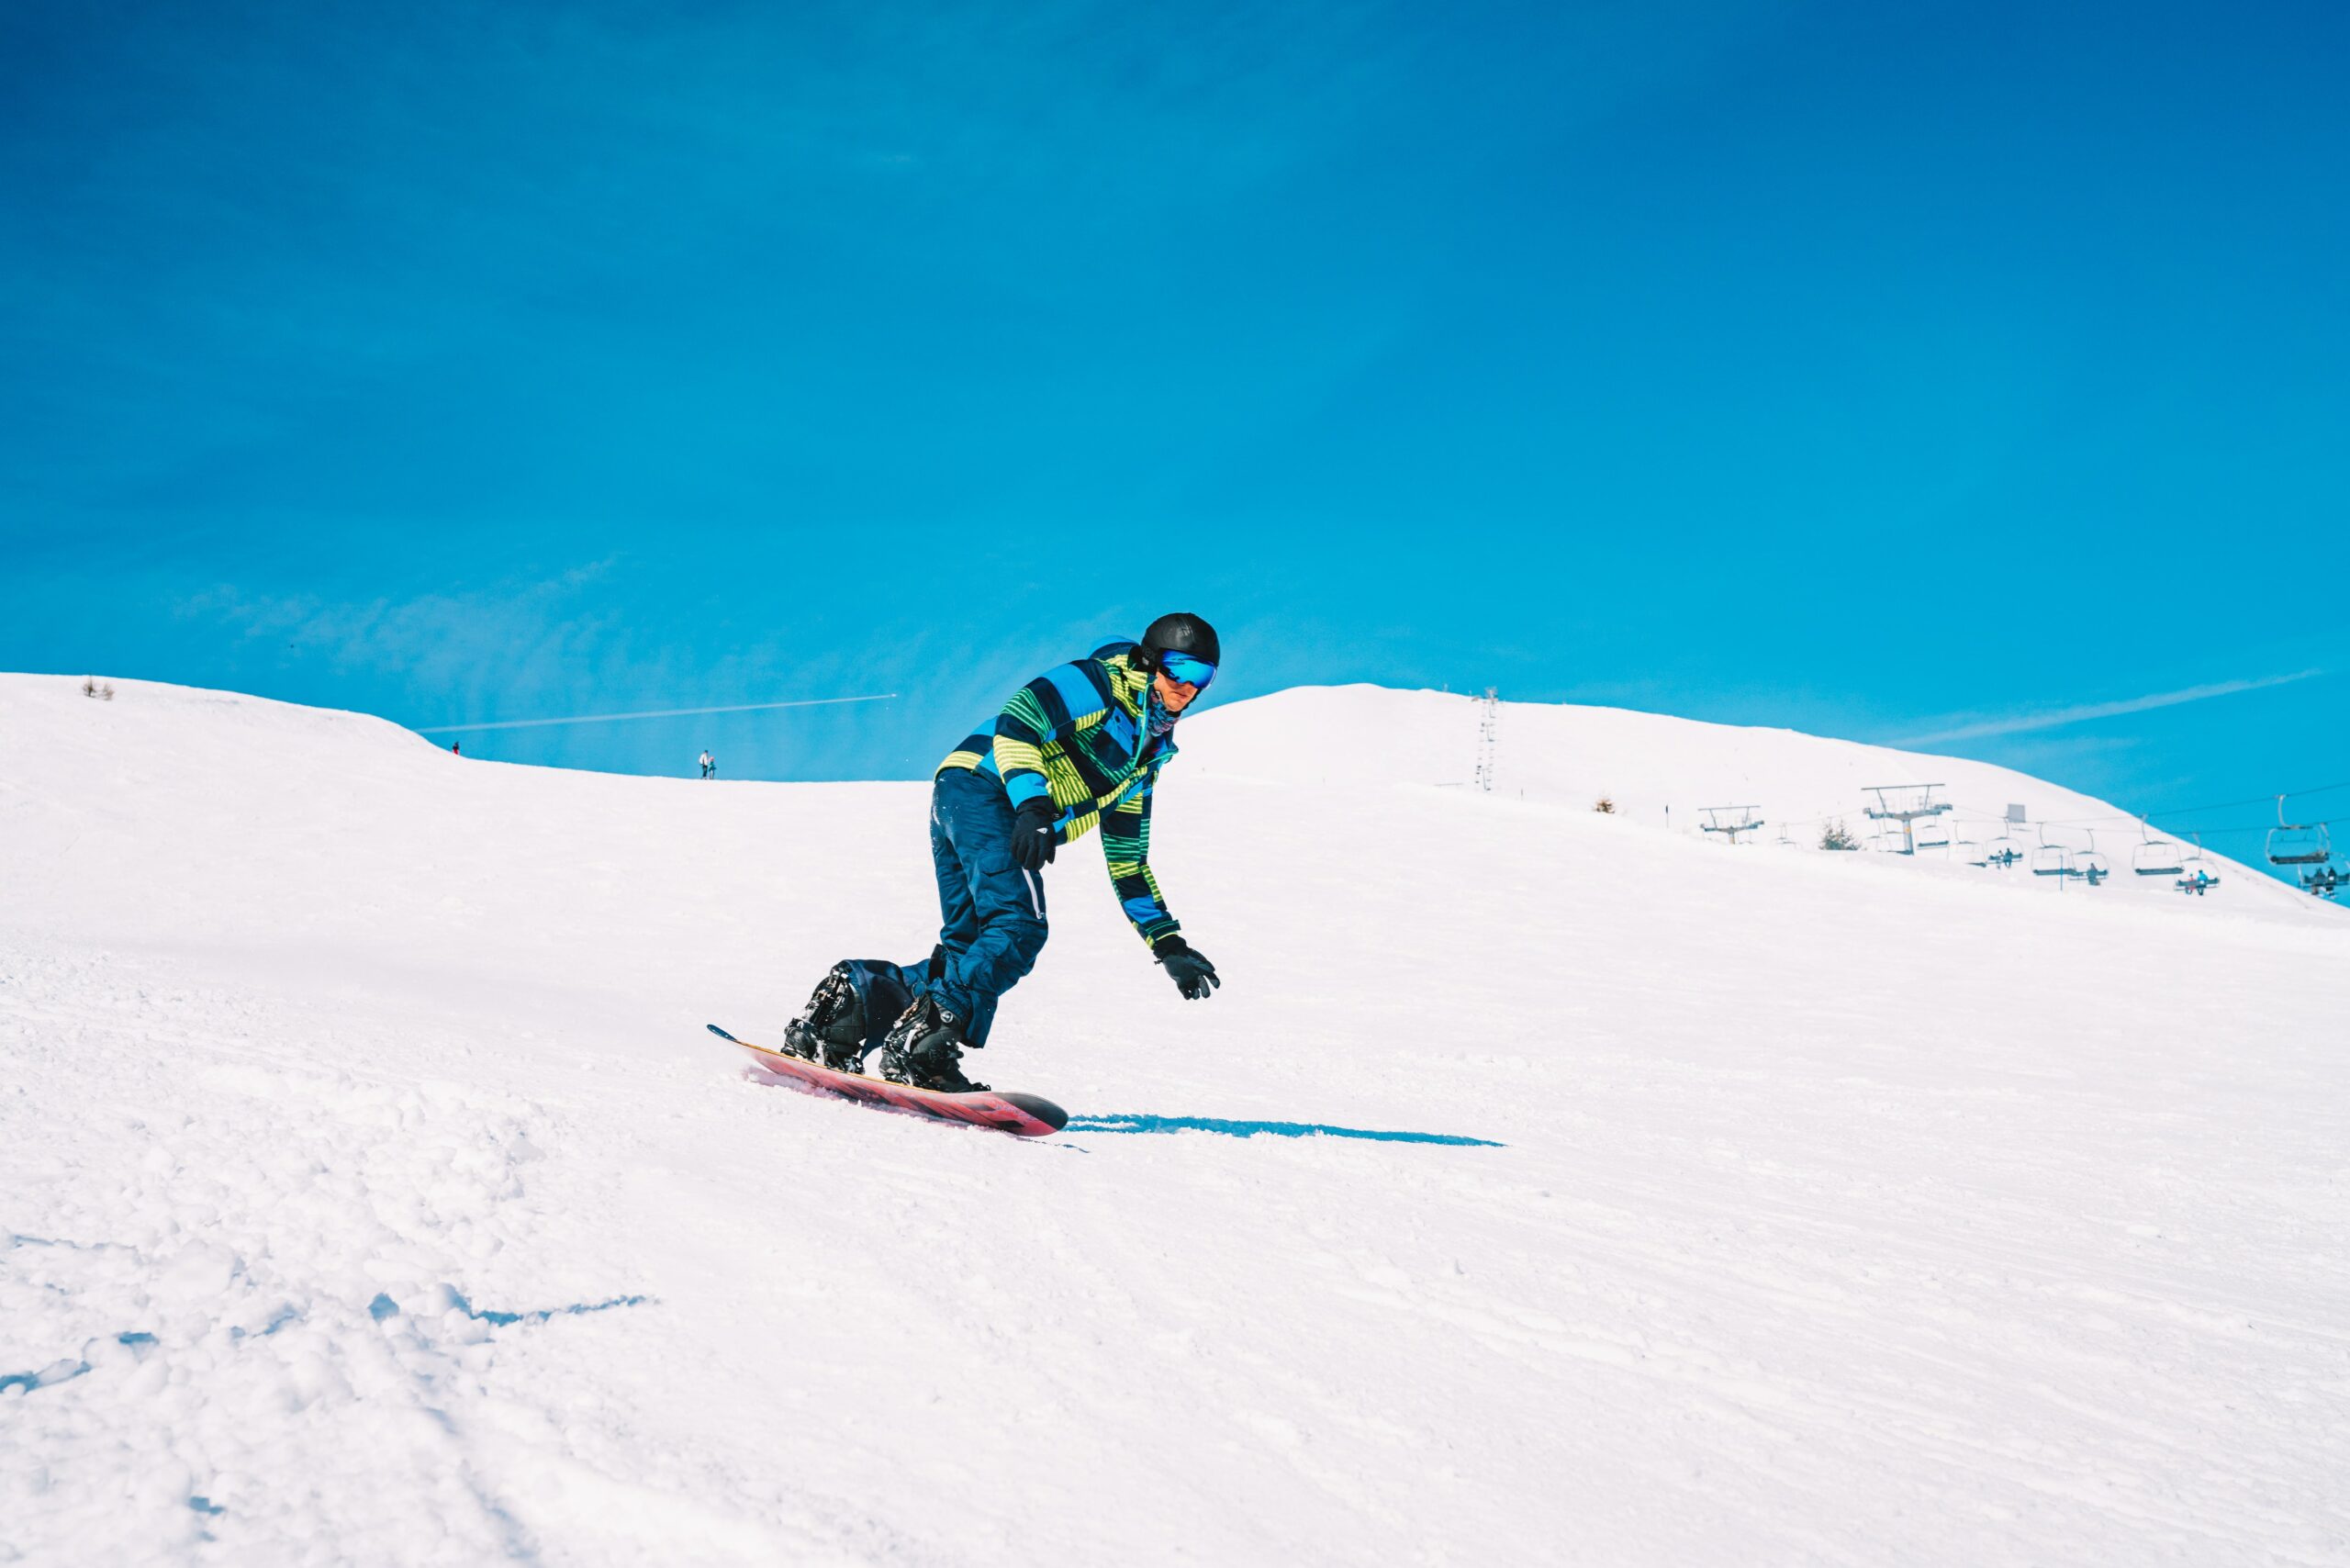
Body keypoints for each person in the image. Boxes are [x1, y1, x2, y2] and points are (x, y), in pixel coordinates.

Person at [780, 612, 1225, 1092]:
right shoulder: (1101, 682)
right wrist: (1033, 806)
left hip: (963, 793)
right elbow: (1021, 717)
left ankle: (851, 1007)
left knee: (969, 948)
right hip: (987, 788)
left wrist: (1169, 945)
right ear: (1150, 660)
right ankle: (922, 1044)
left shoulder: (1144, 758)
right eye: (1179, 669)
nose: (1188, 687)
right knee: (1018, 926)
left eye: (1203, 677)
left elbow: (1128, 862)